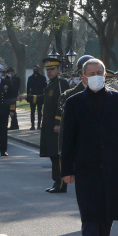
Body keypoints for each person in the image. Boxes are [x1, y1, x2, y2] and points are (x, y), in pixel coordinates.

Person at [61, 58, 118, 236]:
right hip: (86, 166)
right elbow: (67, 140)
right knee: (89, 212)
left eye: (99, 73)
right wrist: (66, 169)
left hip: (113, 165)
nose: (95, 76)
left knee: (108, 211)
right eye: (91, 73)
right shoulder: (74, 102)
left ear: (105, 76)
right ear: (83, 77)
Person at [40, 57, 70, 190]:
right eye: (47, 69)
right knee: (53, 154)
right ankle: (56, 182)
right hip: (49, 124)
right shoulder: (50, 83)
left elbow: (62, 103)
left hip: (56, 125)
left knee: (58, 155)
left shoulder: (61, 83)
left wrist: (58, 122)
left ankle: (61, 184)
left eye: (52, 69)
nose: (49, 72)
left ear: (58, 69)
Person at [26, 63, 47, 130]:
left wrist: (44, 95)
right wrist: (28, 96)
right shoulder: (30, 78)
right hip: (32, 96)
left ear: (39, 70)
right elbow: (28, 88)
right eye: (34, 69)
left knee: (39, 111)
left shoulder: (43, 78)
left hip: (40, 96)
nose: (35, 70)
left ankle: (39, 125)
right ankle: (32, 125)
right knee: (32, 111)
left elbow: (45, 87)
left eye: (36, 69)